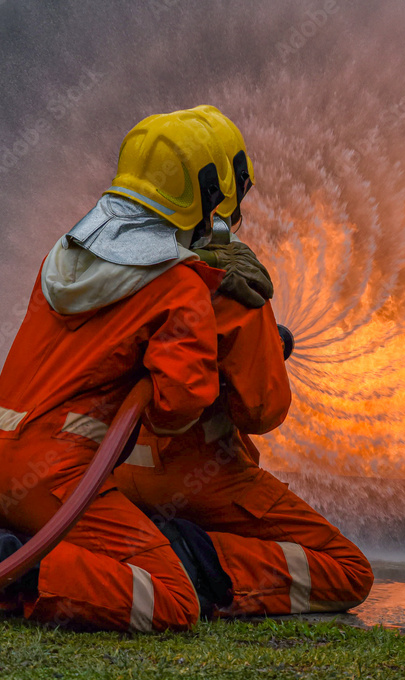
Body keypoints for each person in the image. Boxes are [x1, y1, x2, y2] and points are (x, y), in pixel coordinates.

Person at [0, 106, 372, 631]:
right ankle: (3, 566)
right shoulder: (192, 283)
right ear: (210, 203)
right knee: (174, 600)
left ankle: (31, 556)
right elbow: (230, 409)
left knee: (152, 566)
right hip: (70, 479)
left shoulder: (67, 256)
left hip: (3, 462)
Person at [114, 105, 374, 619]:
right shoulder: (232, 281)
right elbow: (263, 411)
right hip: (204, 480)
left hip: (117, 476)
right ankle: (193, 564)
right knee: (348, 571)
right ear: (219, 193)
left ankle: (142, 552)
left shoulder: (103, 265)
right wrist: (257, 351)